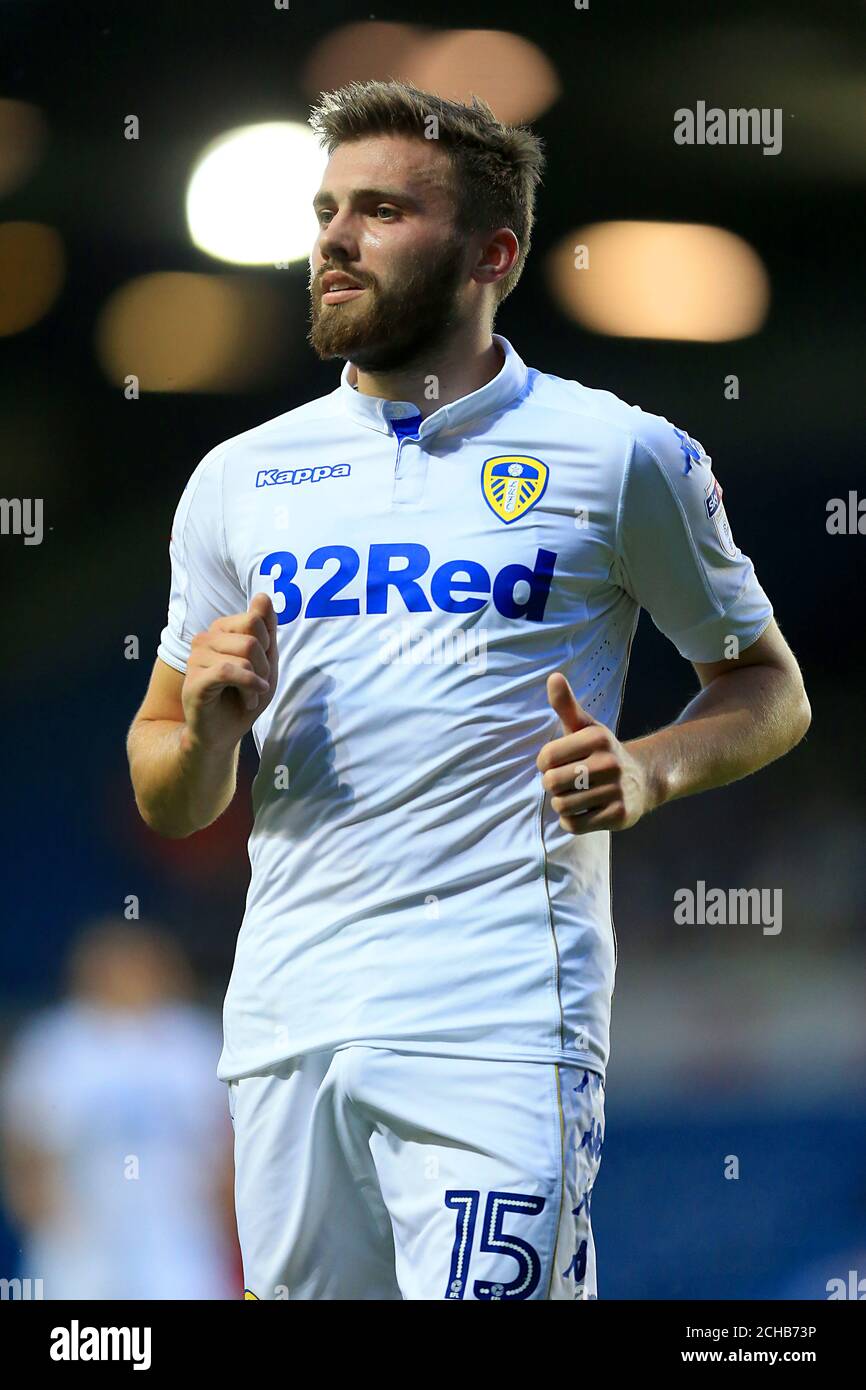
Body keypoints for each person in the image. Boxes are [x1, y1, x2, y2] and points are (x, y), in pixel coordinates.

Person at [126, 79, 810, 1300]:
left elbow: (766, 686)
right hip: (287, 1026)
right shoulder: (238, 478)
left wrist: (650, 767)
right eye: (327, 207)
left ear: (491, 252)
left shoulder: (621, 453)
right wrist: (209, 735)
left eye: (380, 210)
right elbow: (168, 791)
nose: (332, 238)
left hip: (496, 1016)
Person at [1, 918, 237, 1299]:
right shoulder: (53, 1045)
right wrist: (55, 1227)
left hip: (180, 1241)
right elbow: (25, 1156)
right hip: (80, 1243)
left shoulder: (197, 1043)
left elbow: (231, 1150)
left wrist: (216, 1222)